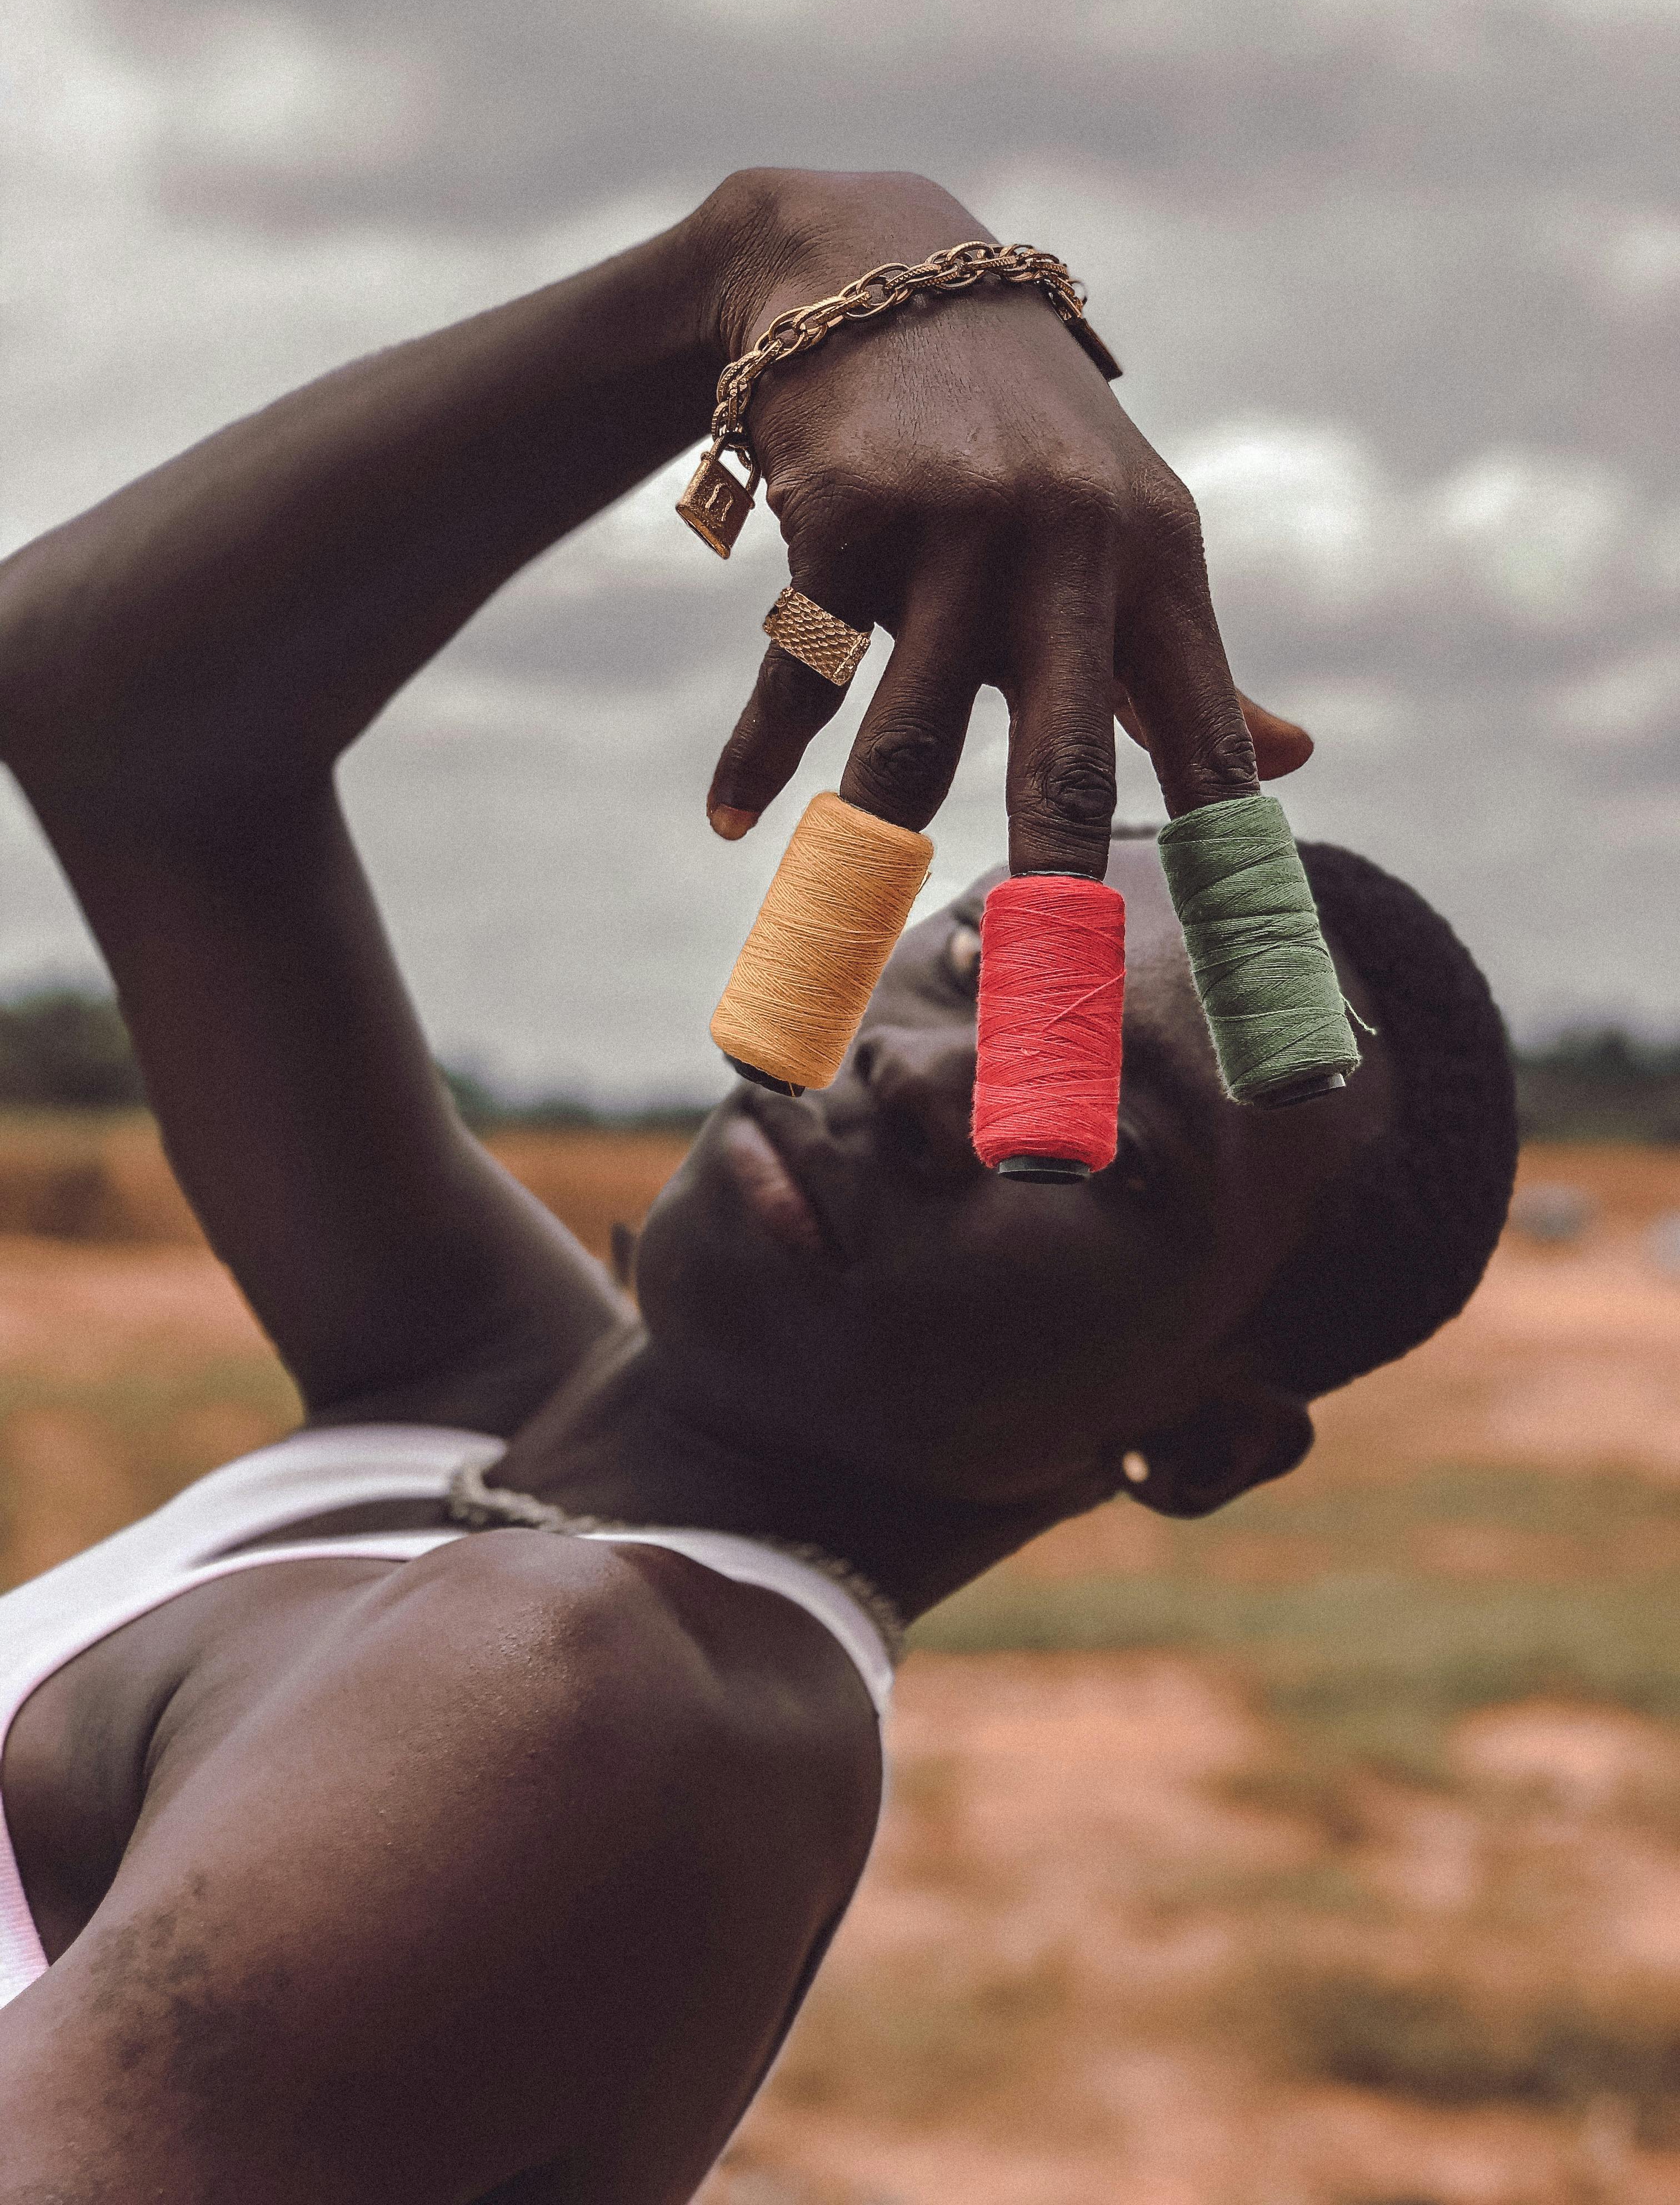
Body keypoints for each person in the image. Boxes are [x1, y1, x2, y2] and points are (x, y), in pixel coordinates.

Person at [0, 168, 1516, 2201]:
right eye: (980, 963)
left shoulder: (594, 1696)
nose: (915, 1067)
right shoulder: (493, 1417)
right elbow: (119, 717)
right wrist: (771, 261)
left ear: (1206, 1440)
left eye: (1107, 1132)